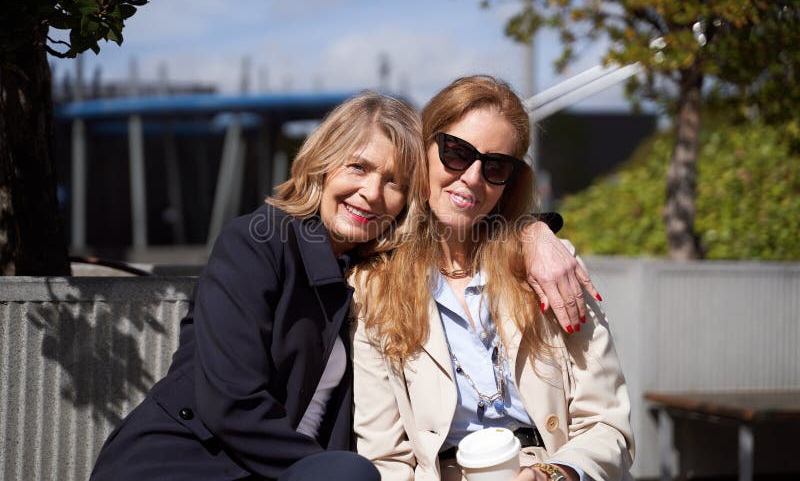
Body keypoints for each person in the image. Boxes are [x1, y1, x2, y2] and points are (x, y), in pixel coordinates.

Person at [90, 89, 589, 480]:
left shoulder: (374, 272)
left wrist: (533, 230)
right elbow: (231, 403)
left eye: (394, 181)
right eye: (359, 166)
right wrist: (336, 472)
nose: (371, 193)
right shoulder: (257, 243)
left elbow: (473, 216)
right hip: (186, 464)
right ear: (323, 162)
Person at [352, 76, 635, 481]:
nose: (471, 177)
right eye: (456, 153)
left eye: (495, 165)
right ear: (424, 151)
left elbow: (608, 423)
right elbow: (387, 457)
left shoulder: (553, 267)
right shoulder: (374, 288)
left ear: (511, 180)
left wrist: (554, 474)